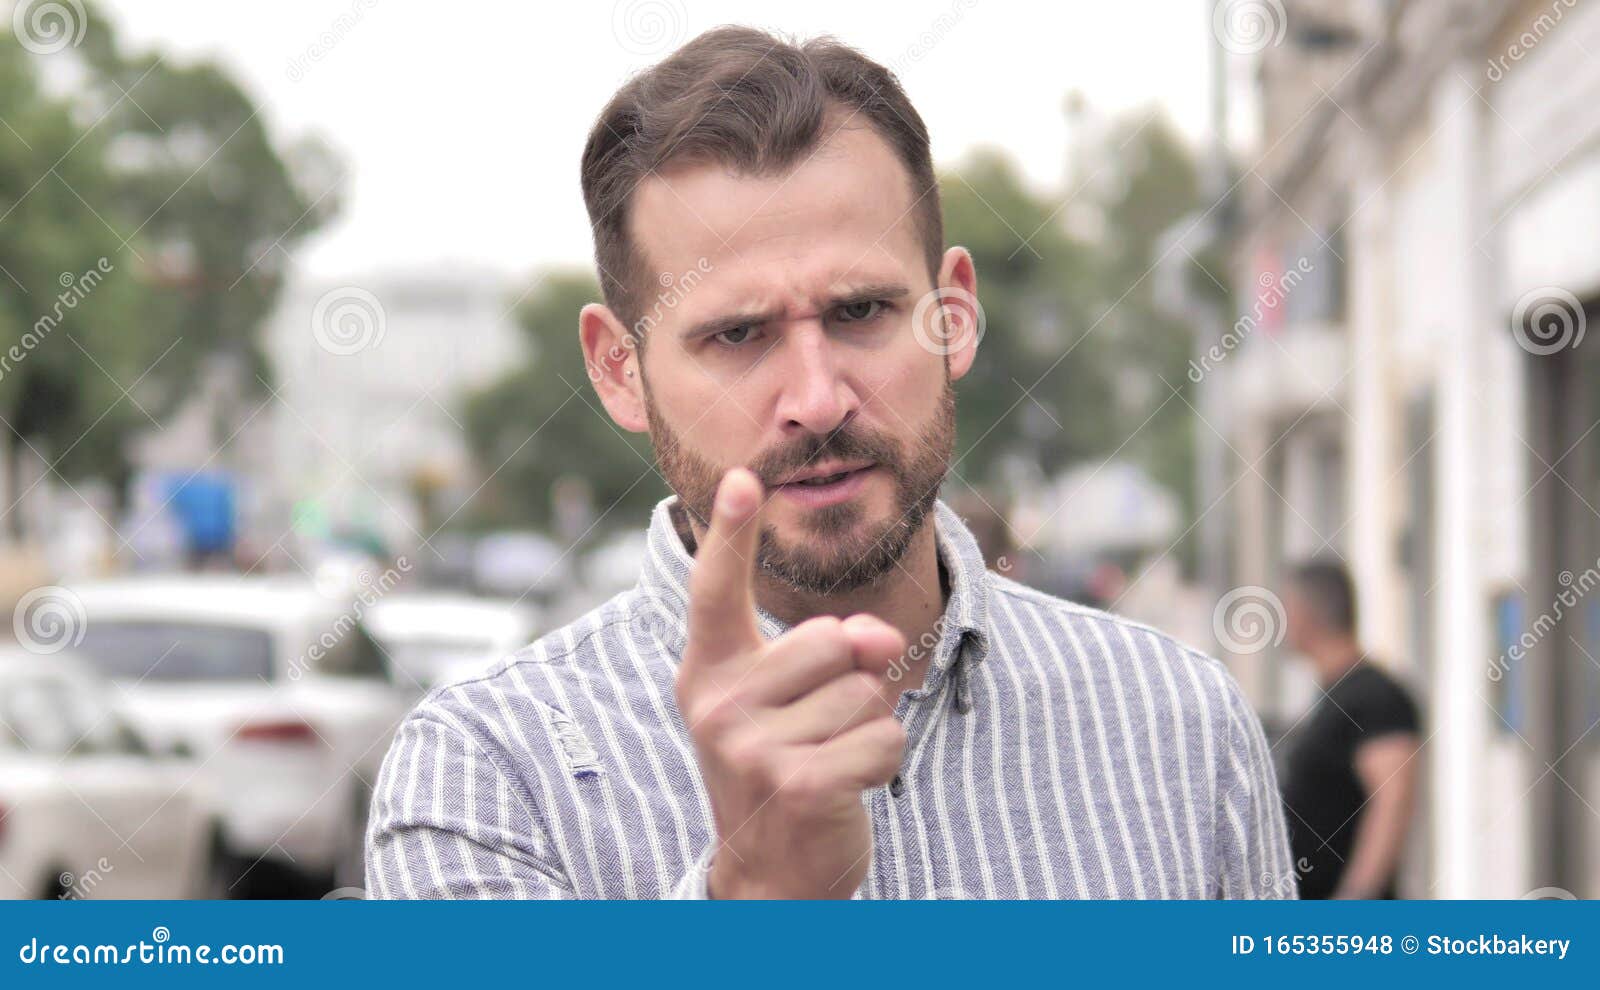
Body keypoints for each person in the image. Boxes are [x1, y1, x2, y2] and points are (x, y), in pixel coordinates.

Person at [366, 26, 1294, 900]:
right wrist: (752, 907)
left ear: (953, 315)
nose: (816, 399)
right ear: (620, 370)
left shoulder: (1181, 727)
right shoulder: (488, 777)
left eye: (860, 312)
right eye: (737, 335)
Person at [1279, 561, 1421, 899]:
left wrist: (1355, 901)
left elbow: (1392, 802)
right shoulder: (1333, 695)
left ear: (1304, 614)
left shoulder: (1375, 696)